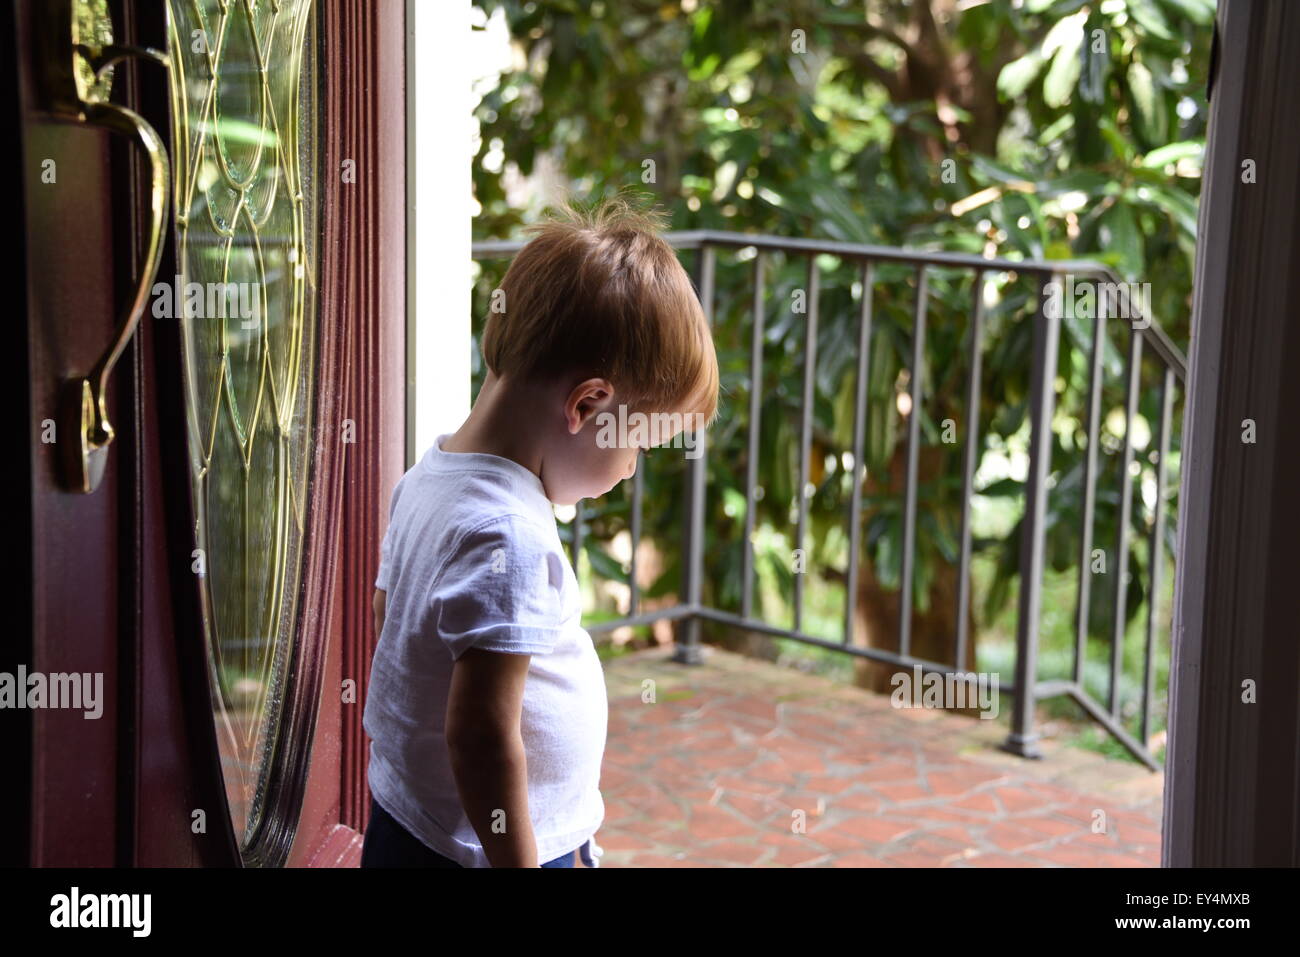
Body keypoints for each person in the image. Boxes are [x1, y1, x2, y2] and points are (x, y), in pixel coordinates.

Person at [360, 193, 720, 867]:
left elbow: (390, 617)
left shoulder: (428, 478)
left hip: (411, 822)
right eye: (640, 442)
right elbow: (479, 737)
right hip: (484, 849)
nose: (632, 467)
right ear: (587, 404)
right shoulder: (506, 535)